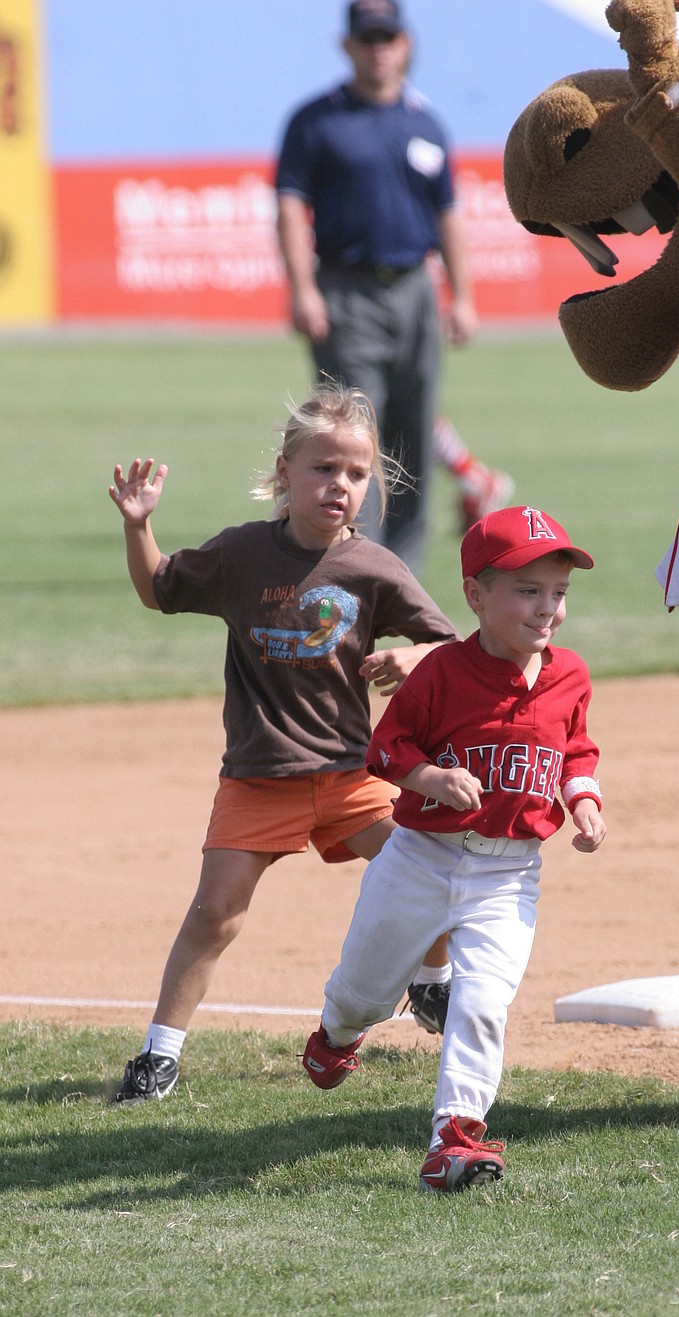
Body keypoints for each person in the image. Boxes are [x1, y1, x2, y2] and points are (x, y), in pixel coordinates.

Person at [107, 380, 462, 1103]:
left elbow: (452, 649)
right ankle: (158, 1055)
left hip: (349, 775)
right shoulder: (243, 553)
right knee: (216, 912)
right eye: (323, 468)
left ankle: (432, 982)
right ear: (284, 473)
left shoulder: (372, 568)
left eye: (356, 474)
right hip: (260, 773)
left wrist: (412, 658)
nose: (340, 484)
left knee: (427, 873)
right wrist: (138, 526)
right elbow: (160, 590)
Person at [301, 504, 607, 1192]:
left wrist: (583, 800)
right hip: (420, 857)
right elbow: (385, 747)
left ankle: (455, 1136)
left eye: (558, 593)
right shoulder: (440, 671)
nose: (547, 608)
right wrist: (430, 776)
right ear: (476, 594)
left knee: (482, 1000)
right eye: (527, 590)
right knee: (365, 991)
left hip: (510, 873)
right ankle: (337, 1033)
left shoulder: (569, 675)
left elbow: (576, 749)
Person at [275, 0, 511, 570]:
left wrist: (465, 297)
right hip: (347, 291)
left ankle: (400, 573)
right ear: (348, 47)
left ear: (404, 44)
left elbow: (448, 217)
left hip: (415, 289)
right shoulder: (317, 120)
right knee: (356, 433)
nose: (378, 47)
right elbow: (289, 206)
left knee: (412, 429)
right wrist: (303, 289)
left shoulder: (424, 123)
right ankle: (354, 563)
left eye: (388, 37)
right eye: (368, 38)